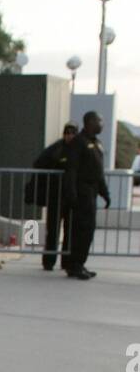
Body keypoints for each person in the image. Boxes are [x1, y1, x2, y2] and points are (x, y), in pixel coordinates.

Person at [62, 111, 111, 279]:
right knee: (80, 230)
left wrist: (105, 193)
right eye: (99, 120)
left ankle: (79, 263)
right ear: (90, 122)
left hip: (92, 191)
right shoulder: (79, 142)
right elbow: (72, 170)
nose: (102, 123)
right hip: (81, 192)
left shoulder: (96, 143)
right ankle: (74, 265)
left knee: (88, 230)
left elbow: (98, 172)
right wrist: (72, 193)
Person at [30, 122, 77, 271]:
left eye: (72, 133)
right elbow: (39, 163)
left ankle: (66, 261)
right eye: (67, 133)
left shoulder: (77, 150)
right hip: (56, 194)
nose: (69, 136)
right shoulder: (56, 148)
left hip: (71, 195)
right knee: (53, 230)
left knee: (70, 230)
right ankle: (49, 261)